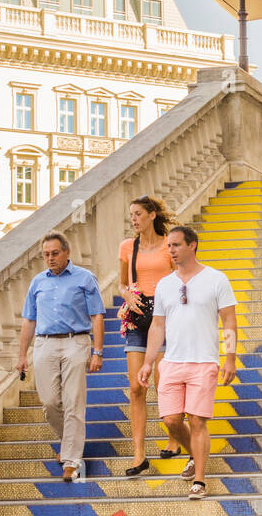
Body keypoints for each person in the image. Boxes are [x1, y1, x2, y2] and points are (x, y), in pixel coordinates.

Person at [138, 224, 238, 499]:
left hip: (203, 361)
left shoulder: (216, 279)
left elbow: (229, 320)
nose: (171, 250)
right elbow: (157, 325)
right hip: (171, 362)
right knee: (171, 421)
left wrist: (230, 358)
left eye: (176, 245)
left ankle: (201, 480)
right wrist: (148, 362)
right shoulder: (164, 284)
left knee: (196, 421)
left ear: (192, 245)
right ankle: (195, 455)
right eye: (168, 246)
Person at [16, 232, 105, 482]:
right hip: (44, 344)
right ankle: (68, 444)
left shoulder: (85, 278)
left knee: (74, 401)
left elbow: (97, 315)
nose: (50, 258)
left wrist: (97, 351)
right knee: (49, 401)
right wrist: (22, 354)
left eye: (55, 253)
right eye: (46, 254)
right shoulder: (37, 282)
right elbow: (29, 319)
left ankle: (71, 461)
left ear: (67, 253)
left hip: (75, 341)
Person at [118, 194, 181, 476]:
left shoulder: (170, 245)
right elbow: (121, 283)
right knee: (136, 387)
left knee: (163, 380)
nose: (134, 219)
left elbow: (184, 278)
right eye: (131, 214)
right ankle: (139, 454)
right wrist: (127, 296)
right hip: (137, 315)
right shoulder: (127, 247)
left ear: (152, 214)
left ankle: (174, 438)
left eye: (138, 213)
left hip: (165, 316)